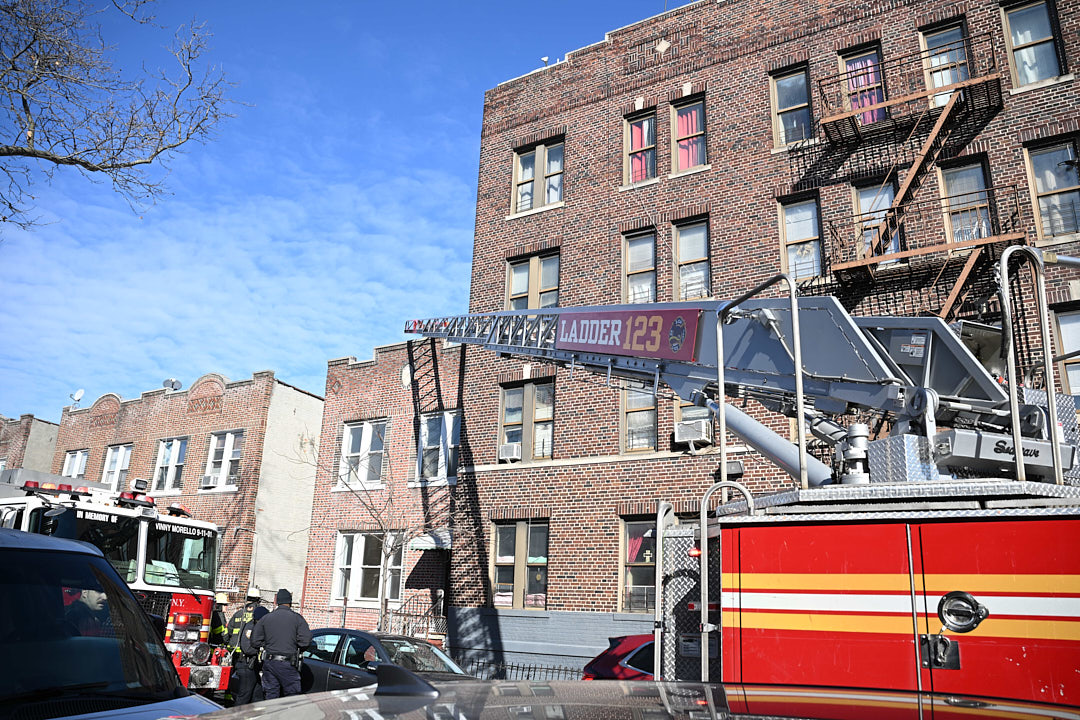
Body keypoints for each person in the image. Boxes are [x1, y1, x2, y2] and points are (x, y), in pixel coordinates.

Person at [251, 588, 311, 699]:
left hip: (269, 663)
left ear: (276, 602)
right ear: (290, 602)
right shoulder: (297, 619)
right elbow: (305, 641)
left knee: (271, 696)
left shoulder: (266, 618)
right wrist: (294, 645)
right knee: (291, 699)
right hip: (288, 663)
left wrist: (267, 644)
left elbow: (254, 641)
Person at [227, 605, 268, 705]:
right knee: (244, 696)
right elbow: (247, 649)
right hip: (246, 666)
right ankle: (237, 715)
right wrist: (262, 647)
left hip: (252, 667)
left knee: (257, 696)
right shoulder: (250, 628)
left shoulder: (257, 627)